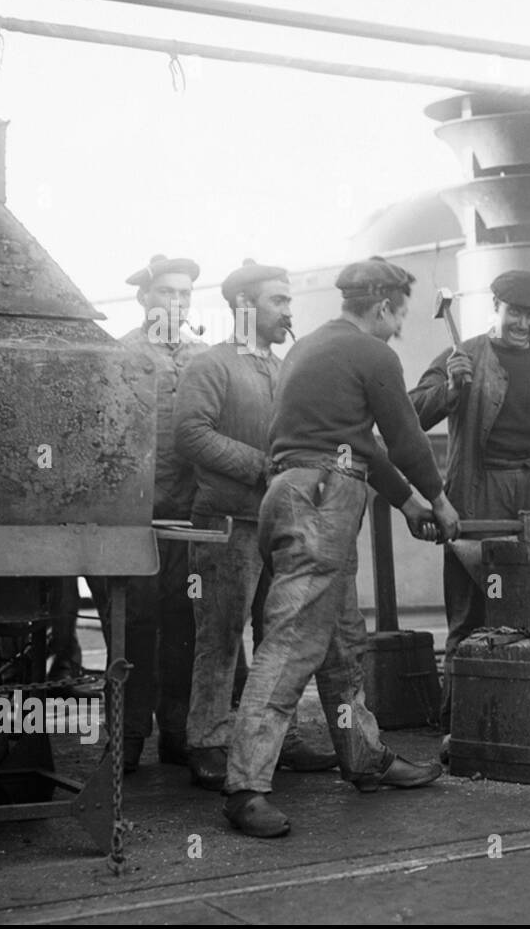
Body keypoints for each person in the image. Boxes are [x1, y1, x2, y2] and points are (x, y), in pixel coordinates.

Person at [223, 257, 460, 838]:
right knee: (290, 644)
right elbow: (402, 437)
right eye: (398, 317)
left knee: (340, 641)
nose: (396, 329)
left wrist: (405, 503)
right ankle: (246, 786)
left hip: (291, 491)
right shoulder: (372, 353)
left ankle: (364, 755)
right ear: (381, 307)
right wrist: (440, 498)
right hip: (323, 499)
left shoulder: (310, 350)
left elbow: (360, 446)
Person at [175, 260, 336, 792]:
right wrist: (260, 466)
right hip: (227, 522)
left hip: (281, 524)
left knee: (280, 635)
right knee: (219, 635)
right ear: (244, 306)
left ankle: (273, 737)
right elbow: (192, 436)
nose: (288, 311)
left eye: (288, 301)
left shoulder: (287, 368)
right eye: (277, 301)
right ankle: (208, 739)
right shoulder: (210, 365)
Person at [409, 270, 530, 740]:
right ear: (496, 306)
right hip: (479, 492)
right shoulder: (462, 355)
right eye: (516, 313)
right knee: (471, 611)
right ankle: (460, 726)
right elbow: (411, 416)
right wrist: (449, 389)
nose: (524, 325)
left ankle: (526, 724)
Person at [104, 254, 207, 772]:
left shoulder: (204, 358)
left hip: (188, 520)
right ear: (144, 298)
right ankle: (125, 738)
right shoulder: (118, 355)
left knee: (184, 620)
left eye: (186, 294)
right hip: (133, 519)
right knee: (132, 625)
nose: (177, 303)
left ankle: (177, 731)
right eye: (167, 292)